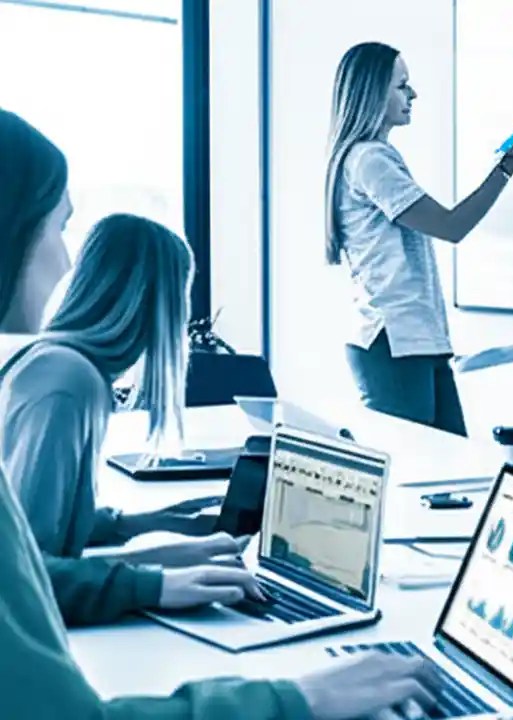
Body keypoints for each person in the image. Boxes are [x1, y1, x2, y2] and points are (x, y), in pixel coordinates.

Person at [0, 107, 444, 718]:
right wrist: (295, 698)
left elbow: (26, 548)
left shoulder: (65, 373)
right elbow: (35, 564)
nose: (66, 261)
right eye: (59, 227)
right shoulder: (65, 377)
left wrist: (150, 537)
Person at [0, 212, 242, 565]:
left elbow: (37, 525)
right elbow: (26, 571)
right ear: (162, 304)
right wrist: (157, 571)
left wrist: (144, 524)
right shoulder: (69, 379)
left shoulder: (56, 364)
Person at [326, 41, 513, 436]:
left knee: (450, 471)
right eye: (401, 85)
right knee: (417, 472)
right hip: (394, 341)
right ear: (372, 92)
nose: (413, 94)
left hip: (415, 338)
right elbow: (451, 226)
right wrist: (507, 167)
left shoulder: (373, 156)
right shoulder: (370, 160)